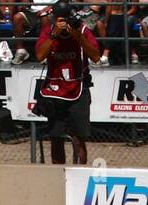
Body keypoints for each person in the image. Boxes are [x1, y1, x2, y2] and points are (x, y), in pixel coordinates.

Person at [34, 0, 101, 165]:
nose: (63, 22)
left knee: (78, 138)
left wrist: (77, 36)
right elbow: (40, 56)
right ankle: (58, 175)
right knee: (56, 137)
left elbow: (96, 56)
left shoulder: (82, 30)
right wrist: (53, 35)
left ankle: (80, 175)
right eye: (60, 19)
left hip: (78, 89)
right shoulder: (48, 31)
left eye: (66, 18)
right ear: (54, 18)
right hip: (55, 90)